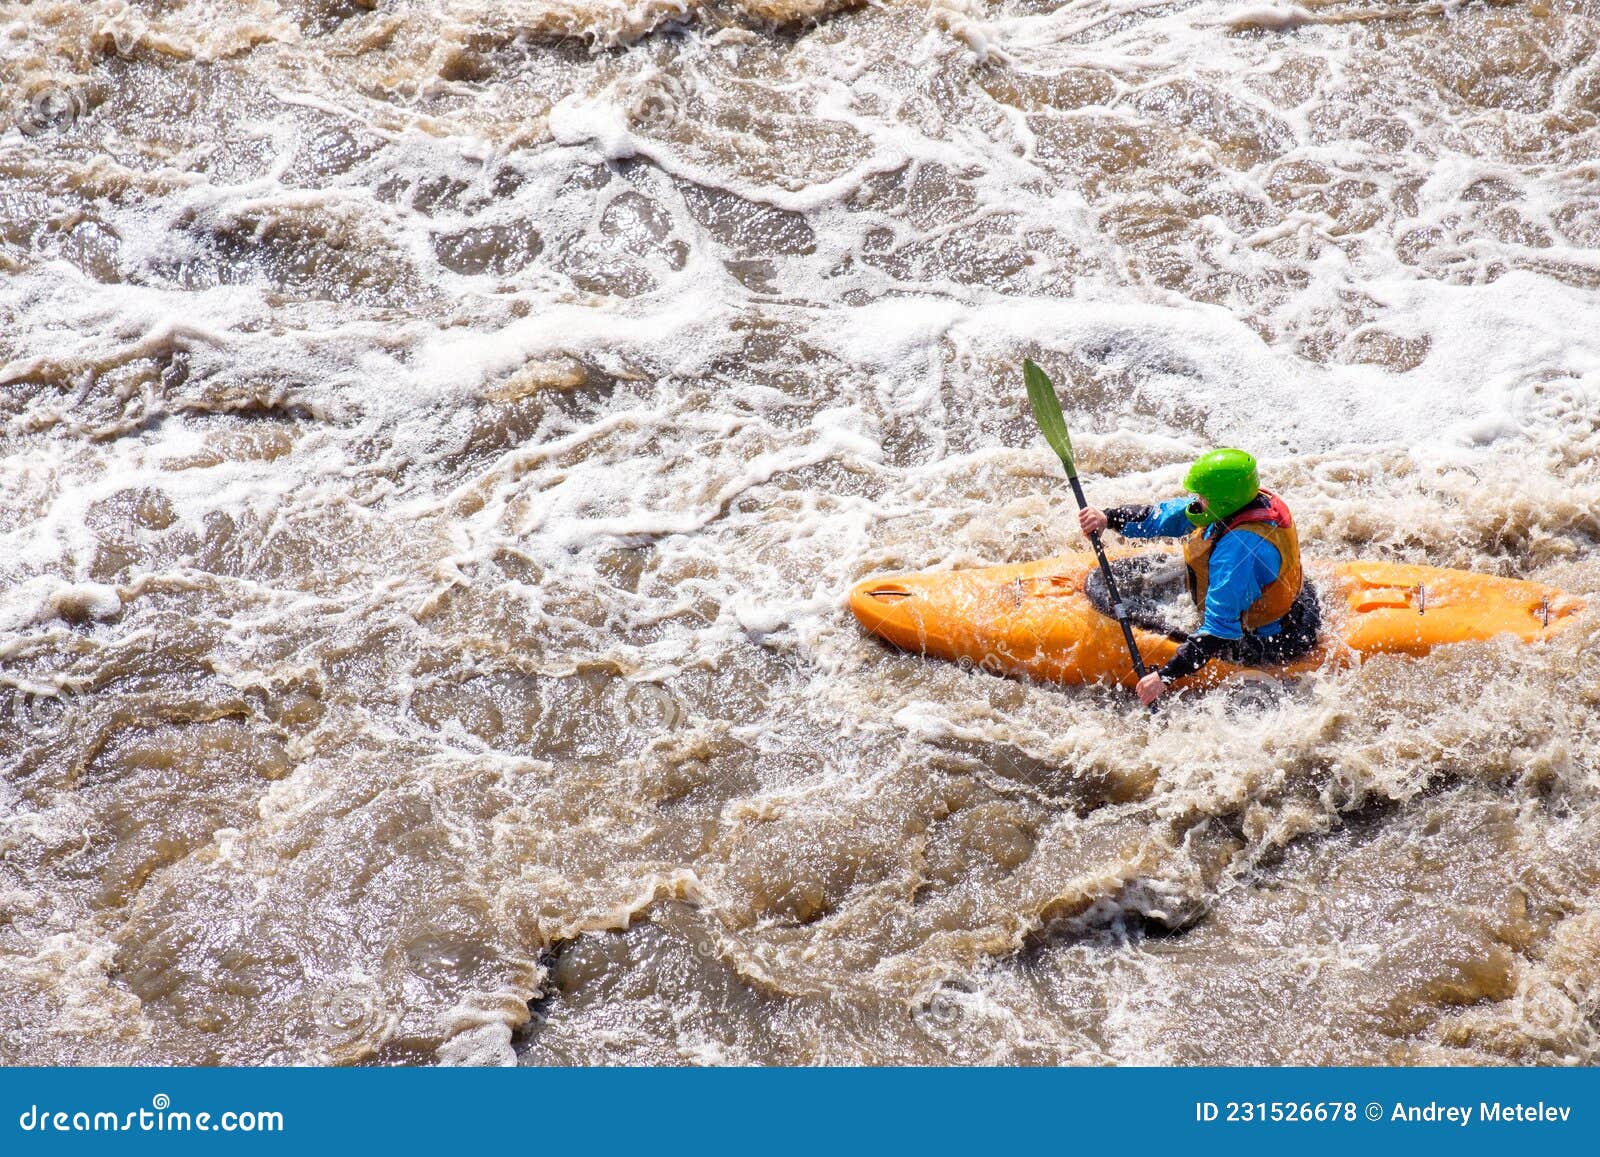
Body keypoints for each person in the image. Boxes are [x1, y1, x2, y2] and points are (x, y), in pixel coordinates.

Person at [1078, 448, 1319, 705]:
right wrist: (1108, 518)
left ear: (1222, 501)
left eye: (1202, 497)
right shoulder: (1244, 501)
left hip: (1268, 638)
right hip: (1289, 604)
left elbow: (1219, 634)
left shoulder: (1236, 554)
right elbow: (1168, 516)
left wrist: (1164, 678)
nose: (1197, 501)